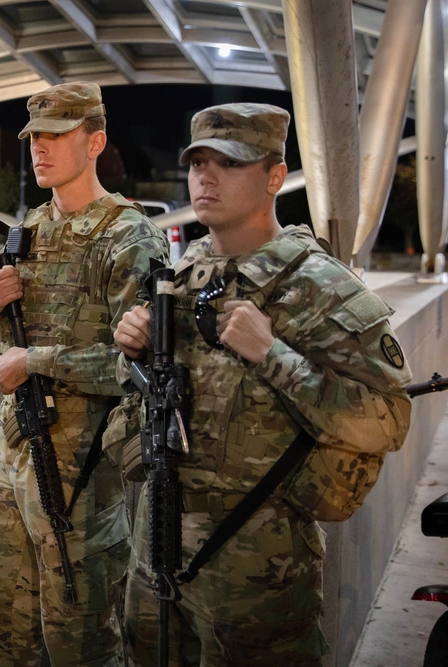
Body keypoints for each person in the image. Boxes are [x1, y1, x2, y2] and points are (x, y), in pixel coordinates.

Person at [114, 103, 413, 665]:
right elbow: (151, 403)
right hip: (156, 548)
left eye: (228, 162)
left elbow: (388, 418)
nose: (205, 176)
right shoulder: (181, 277)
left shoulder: (321, 286)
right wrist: (129, 347)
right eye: (197, 161)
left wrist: (273, 354)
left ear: (275, 176)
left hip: (258, 572)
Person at [0, 81, 169, 666]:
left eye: (56, 136)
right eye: (35, 138)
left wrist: (36, 361)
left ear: (95, 141)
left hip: (80, 474)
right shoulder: (28, 228)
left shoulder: (129, 236)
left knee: (80, 638)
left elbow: (139, 367)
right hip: (11, 460)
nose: (39, 149)